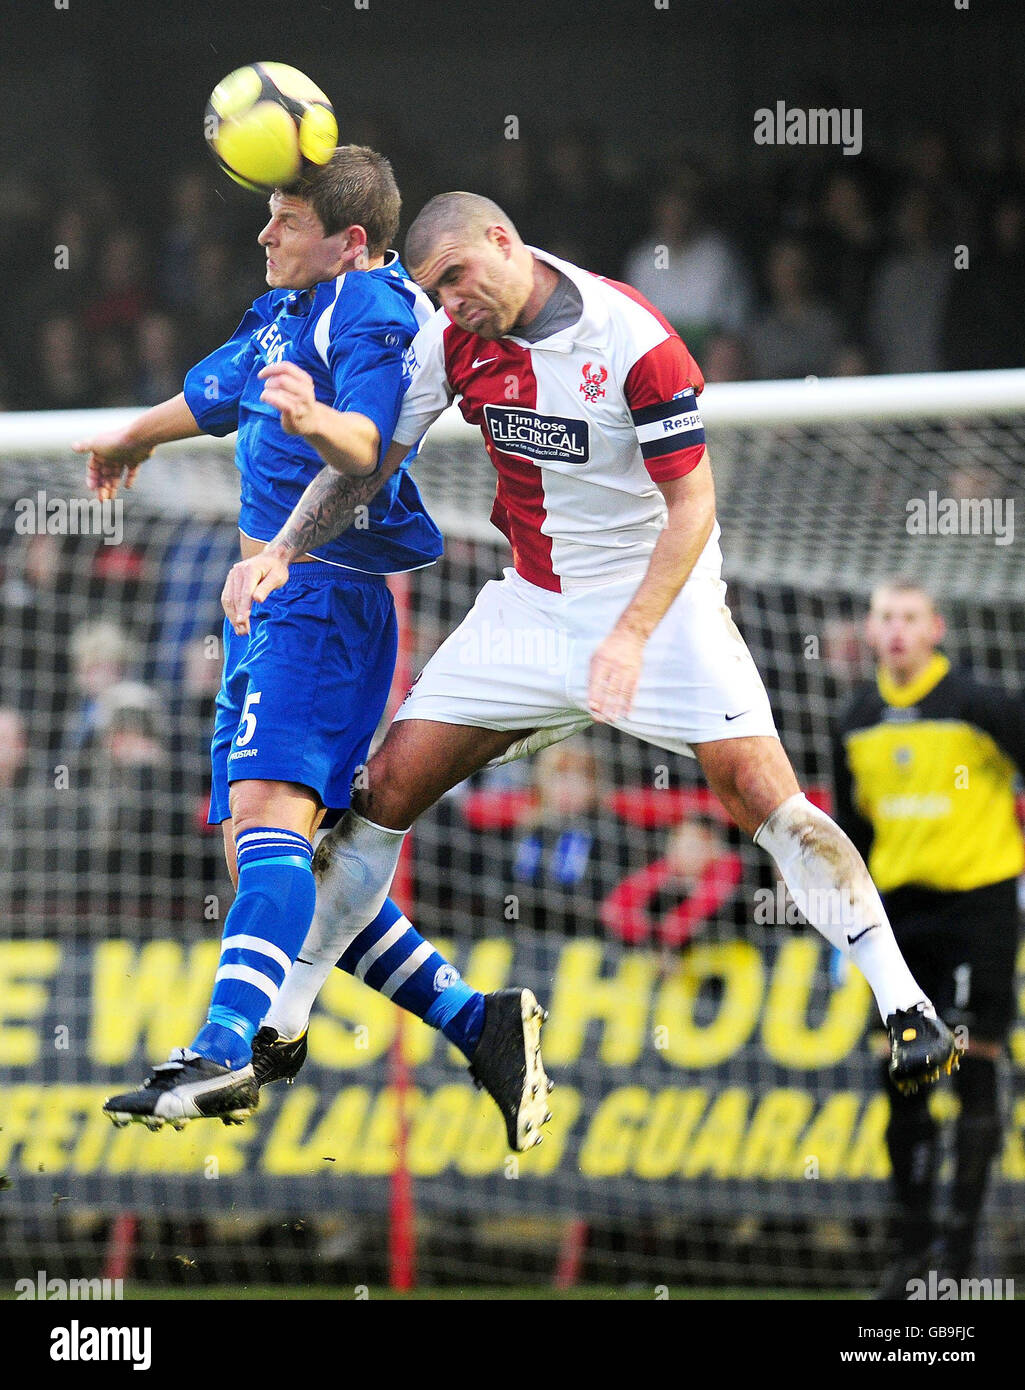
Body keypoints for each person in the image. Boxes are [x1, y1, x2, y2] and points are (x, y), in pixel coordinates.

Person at [222, 191, 957, 1108]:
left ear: (504, 241)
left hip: (662, 607)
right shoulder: (452, 339)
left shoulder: (634, 341)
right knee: (379, 796)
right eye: (433, 290)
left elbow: (693, 508)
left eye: (456, 278)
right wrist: (282, 550)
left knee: (766, 799)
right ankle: (282, 1028)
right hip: (531, 609)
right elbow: (368, 459)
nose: (449, 303)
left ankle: (907, 1008)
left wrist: (631, 635)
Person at [73, 154, 551, 1151]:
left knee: (266, 831)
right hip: (269, 612)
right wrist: (135, 439)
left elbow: (370, 446)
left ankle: (224, 1045)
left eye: (282, 218)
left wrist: (313, 419)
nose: (261, 235)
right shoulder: (287, 314)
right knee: (278, 849)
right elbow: (216, 394)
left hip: (319, 599)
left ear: (344, 238)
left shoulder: (371, 307)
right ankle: (479, 1022)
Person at [831, 578, 1024, 1297]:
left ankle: (962, 1252)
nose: (897, 631)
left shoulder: (981, 705)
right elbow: (848, 831)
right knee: (903, 1081)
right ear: (872, 630)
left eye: (910, 617)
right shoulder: (854, 715)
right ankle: (910, 1253)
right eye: (885, 618)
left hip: (978, 909)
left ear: (935, 626)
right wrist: (843, 924)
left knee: (973, 1070)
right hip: (895, 920)